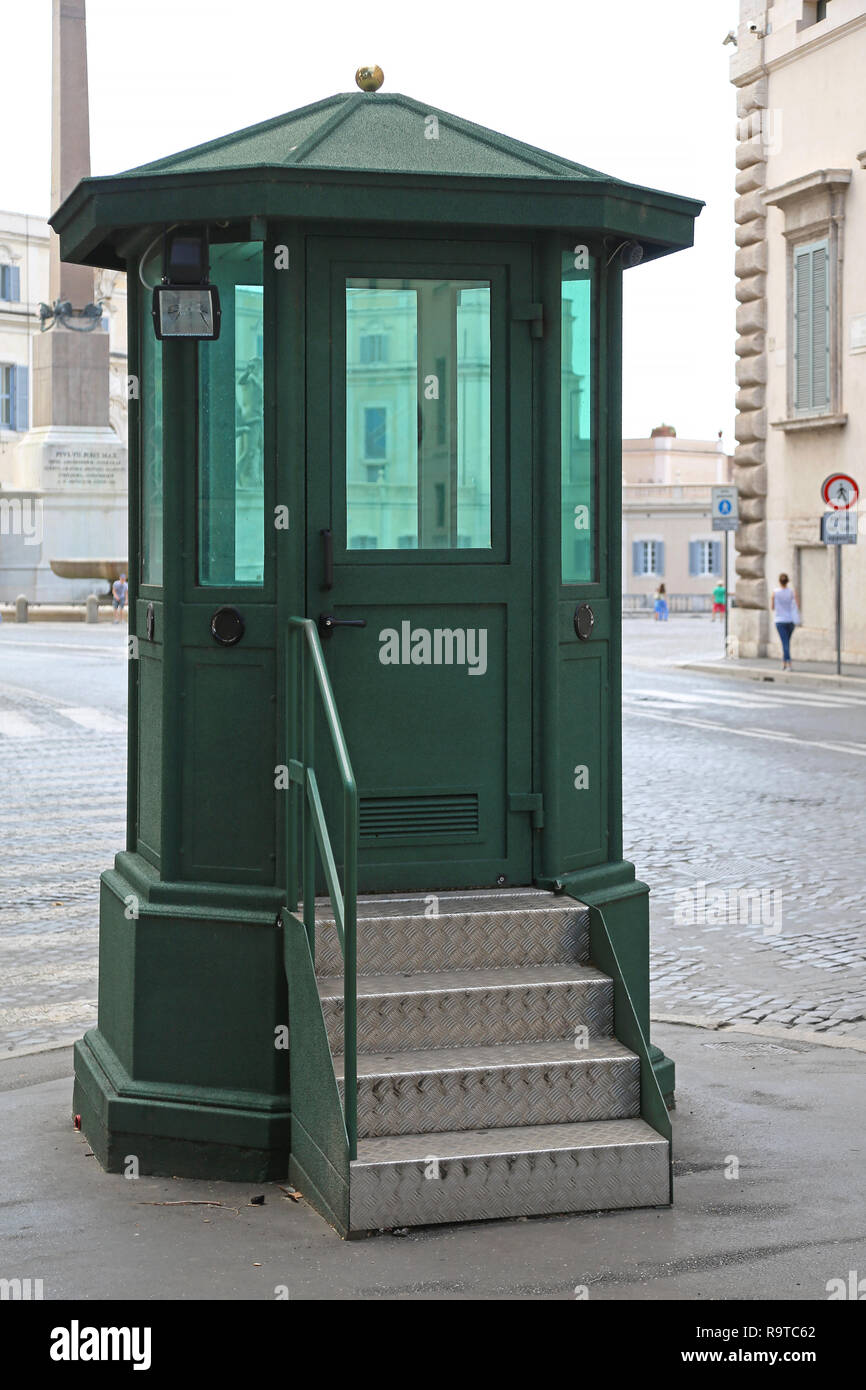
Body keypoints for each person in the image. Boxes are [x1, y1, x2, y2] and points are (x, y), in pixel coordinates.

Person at [771, 572, 798, 671]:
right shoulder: (791, 592)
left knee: (785, 643)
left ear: (779, 581)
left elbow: (772, 607)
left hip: (779, 620)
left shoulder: (775, 592)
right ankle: (784, 663)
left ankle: (789, 664)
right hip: (790, 620)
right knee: (786, 643)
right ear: (787, 581)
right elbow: (796, 605)